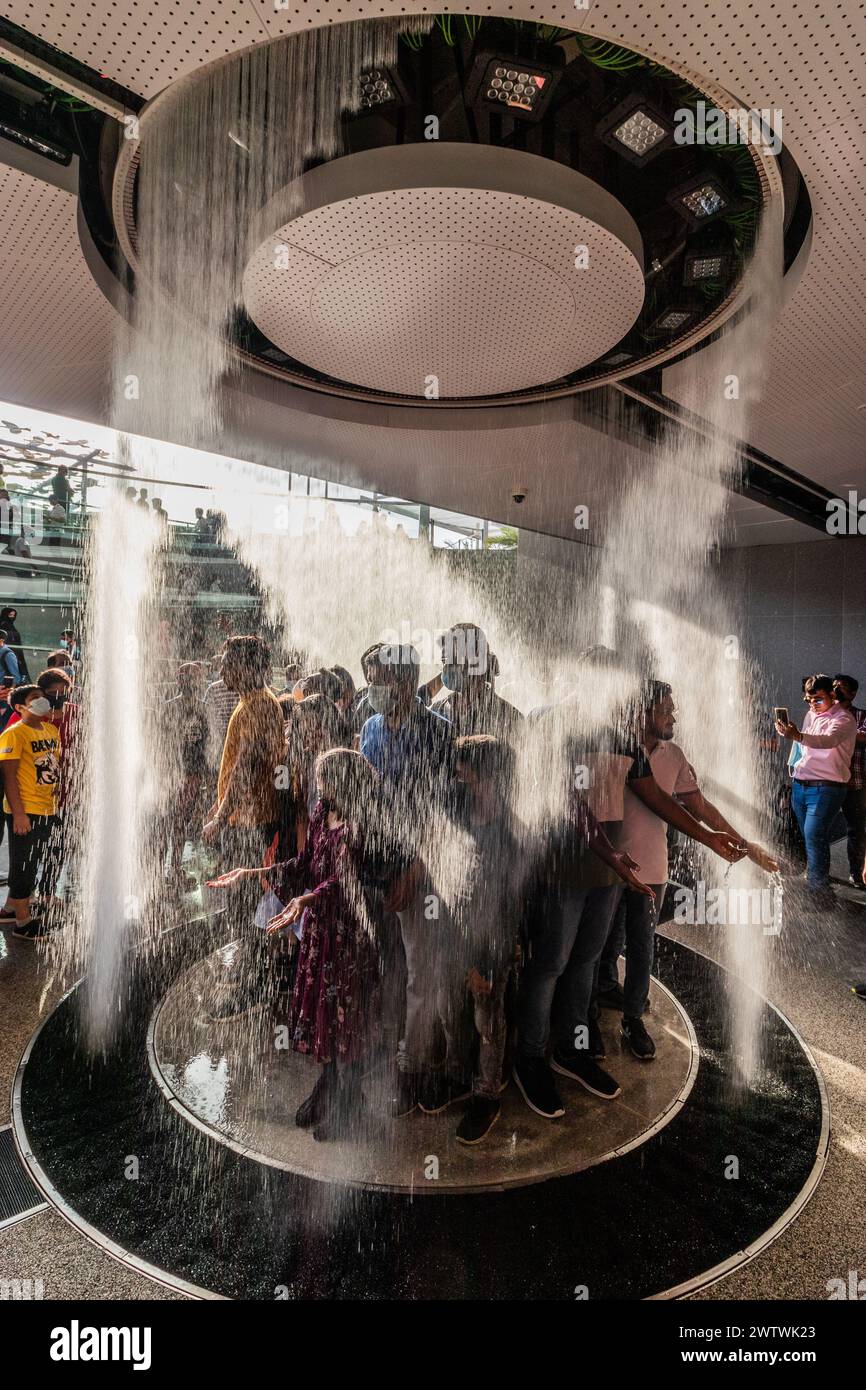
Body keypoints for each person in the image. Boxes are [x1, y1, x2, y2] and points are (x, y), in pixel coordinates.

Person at [513, 690, 748, 1120]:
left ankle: (570, 1048)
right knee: (550, 963)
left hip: (607, 873)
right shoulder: (564, 730)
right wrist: (610, 854)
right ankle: (529, 1058)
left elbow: (658, 798)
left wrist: (709, 838)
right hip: (564, 868)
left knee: (585, 961)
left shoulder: (621, 739)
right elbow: (569, 802)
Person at [600, 682, 778, 1060]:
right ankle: (600, 995)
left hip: (650, 865)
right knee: (602, 939)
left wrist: (745, 844)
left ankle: (633, 1018)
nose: (674, 716)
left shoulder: (674, 755)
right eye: (666, 709)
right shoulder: (613, 745)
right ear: (642, 712)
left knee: (642, 944)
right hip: (605, 864)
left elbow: (700, 806)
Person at [359, 642, 458, 1116]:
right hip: (379, 872)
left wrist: (414, 874)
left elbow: (442, 815)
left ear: (403, 680)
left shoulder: (438, 733)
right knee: (389, 970)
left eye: (378, 678)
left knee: (422, 973)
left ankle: (415, 1069)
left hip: (423, 874)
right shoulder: (370, 728)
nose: (373, 688)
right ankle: (392, 1051)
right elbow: (366, 805)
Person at [203, 636, 286, 1016]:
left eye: (226, 663)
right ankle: (251, 973)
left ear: (248, 666)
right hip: (246, 822)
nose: (220, 670)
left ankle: (256, 984)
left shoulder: (258, 705)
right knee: (243, 905)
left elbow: (248, 766)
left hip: (255, 826)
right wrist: (220, 809)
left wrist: (220, 818)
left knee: (251, 906)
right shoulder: (249, 703)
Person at [450, 734, 525, 1144]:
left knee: (489, 1020)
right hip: (462, 936)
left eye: (464, 774)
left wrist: (488, 966)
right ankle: (464, 1079)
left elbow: (507, 909)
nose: (457, 779)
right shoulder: (463, 814)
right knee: (465, 1015)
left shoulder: (509, 832)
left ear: (488, 777)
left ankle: (488, 1095)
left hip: (491, 946)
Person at [776, 674, 857, 905]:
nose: (813, 705)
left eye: (818, 700)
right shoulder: (812, 714)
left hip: (827, 788)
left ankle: (818, 892)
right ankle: (817, 881)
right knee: (811, 837)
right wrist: (792, 738)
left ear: (833, 695)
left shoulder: (844, 719)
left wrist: (798, 735)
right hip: (801, 785)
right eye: (809, 700)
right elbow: (805, 746)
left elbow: (827, 741)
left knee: (814, 836)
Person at [0, 684, 62, 940]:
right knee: (23, 863)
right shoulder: (14, 734)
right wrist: (19, 814)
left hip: (47, 806)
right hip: (25, 809)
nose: (42, 701)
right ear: (19, 708)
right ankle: (23, 923)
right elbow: (9, 778)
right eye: (34, 699)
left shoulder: (50, 730)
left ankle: (12, 908)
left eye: (42, 697)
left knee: (34, 860)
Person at [435, 623, 522, 745]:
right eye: (444, 661)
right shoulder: (438, 711)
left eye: (452, 660)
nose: (446, 668)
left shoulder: (509, 718)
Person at [832, 675, 866, 889]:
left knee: (856, 829)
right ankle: (816, 870)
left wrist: (839, 733)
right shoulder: (825, 715)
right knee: (819, 828)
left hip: (855, 784)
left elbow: (863, 737)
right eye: (834, 686)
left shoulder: (862, 715)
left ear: (852, 694)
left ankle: (856, 873)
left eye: (841, 688)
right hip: (829, 783)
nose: (836, 690)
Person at [0, 607, 28, 681]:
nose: (12, 617)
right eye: (10, 615)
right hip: (6, 653)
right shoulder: (3, 626)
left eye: (13, 615)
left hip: (15, 654)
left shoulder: (12, 627)